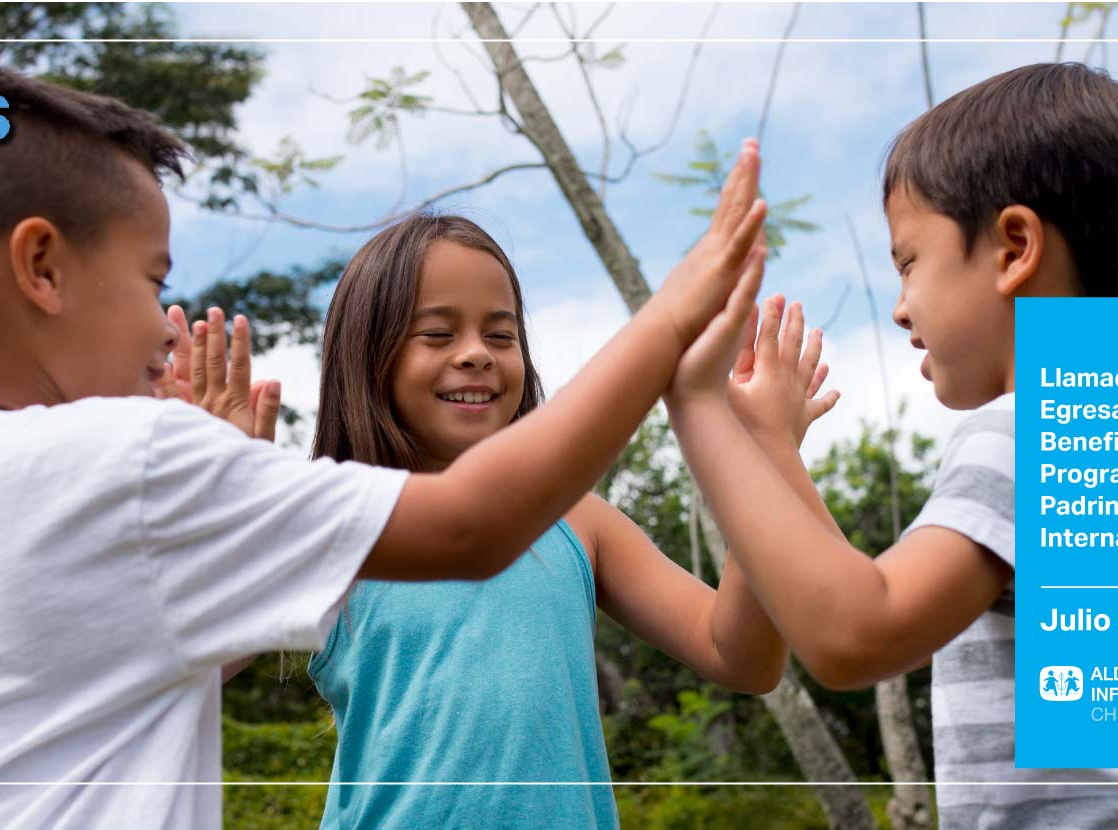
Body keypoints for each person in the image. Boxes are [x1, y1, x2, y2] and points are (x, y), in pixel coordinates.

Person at [0, 67, 774, 829]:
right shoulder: (130, 459)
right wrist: (669, 321)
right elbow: (474, 524)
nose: (164, 327)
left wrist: (207, 498)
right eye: (152, 280)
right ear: (41, 267)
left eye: (500, 332)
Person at [664, 63, 1118, 829]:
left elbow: (855, 635)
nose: (901, 308)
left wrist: (698, 403)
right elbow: (880, 606)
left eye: (909, 262)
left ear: (1014, 247)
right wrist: (775, 450)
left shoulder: (1028, 430)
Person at [294, 206, 837, 828]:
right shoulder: (333, 523)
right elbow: (198, 650)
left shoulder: (578, 522)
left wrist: (766, 453)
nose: (476, 354)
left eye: (501, 336)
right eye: (438, 334)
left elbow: (743, 658)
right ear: (368, 356)